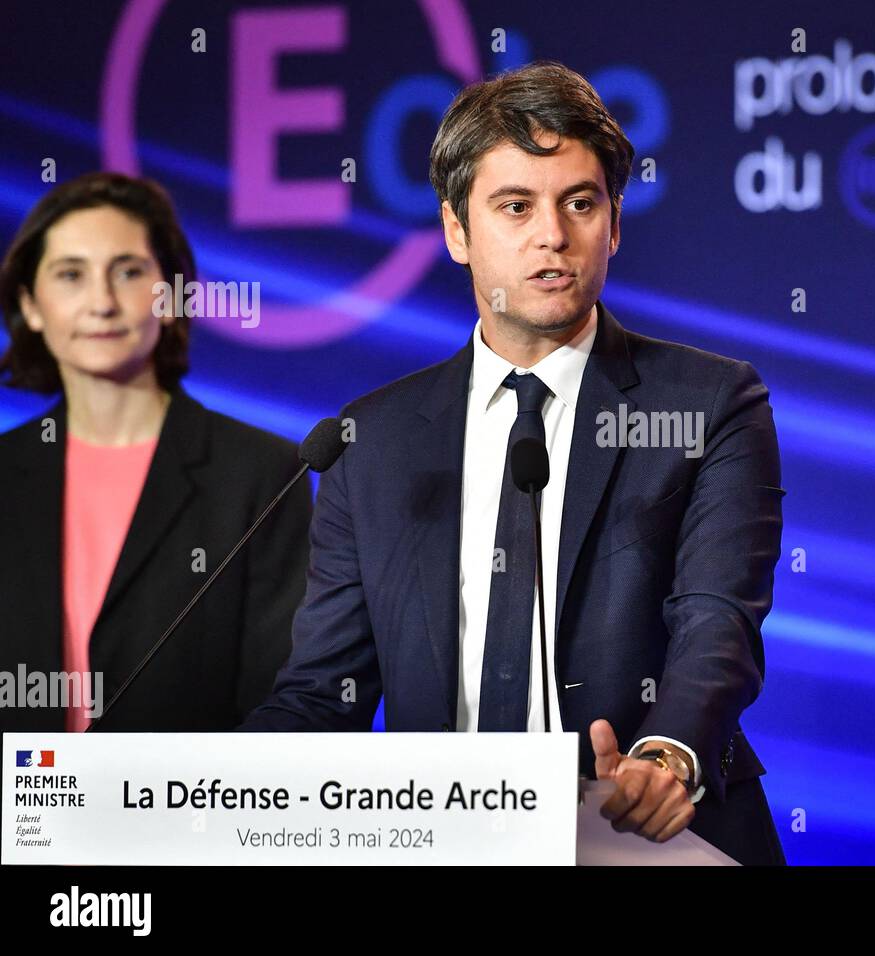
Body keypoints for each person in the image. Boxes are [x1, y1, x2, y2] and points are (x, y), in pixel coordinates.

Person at [242, 61, 787, 865]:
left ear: (615, 224)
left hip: (652, 841)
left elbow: (718, 620)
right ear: (457, 232)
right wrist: (191, 794)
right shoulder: (374, 440)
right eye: (515, 206)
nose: (552, 236)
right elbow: (325, 692)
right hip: (446, 847)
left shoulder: (710, 404)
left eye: (580, 202)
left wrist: (667, 752)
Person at [0, 172, 311, 733]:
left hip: (185, 810)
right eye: (71, 275)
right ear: (32, 305)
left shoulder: (262, 473)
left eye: (128, 272)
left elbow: (282, 701)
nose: (102, 302)